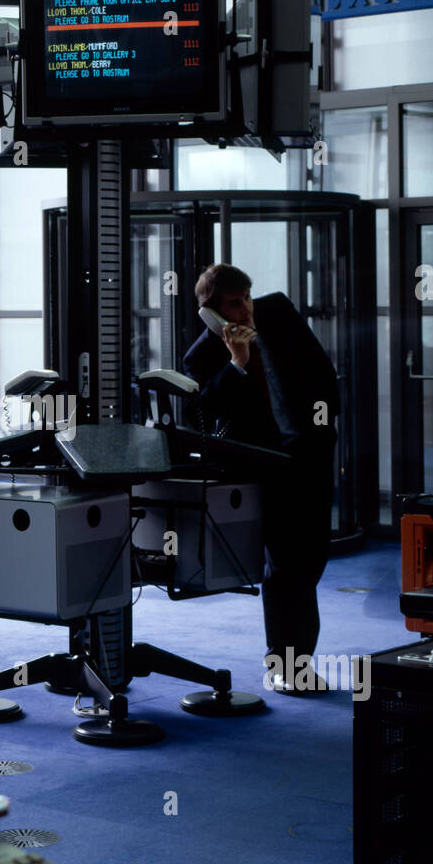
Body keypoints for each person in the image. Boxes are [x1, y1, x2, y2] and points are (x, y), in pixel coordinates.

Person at [182, 264, 339, 695]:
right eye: (234, 303)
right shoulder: (201, 356)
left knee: (311, 562)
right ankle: (287, 666)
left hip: (309, 456)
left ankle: (292, 663)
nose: (246, 309)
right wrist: (238, 362)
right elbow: (202, 413)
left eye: (247, 298)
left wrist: (324, 425)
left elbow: (323, 373)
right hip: (265, 467)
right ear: (211, 311)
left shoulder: (280, 316)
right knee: (287, 566)